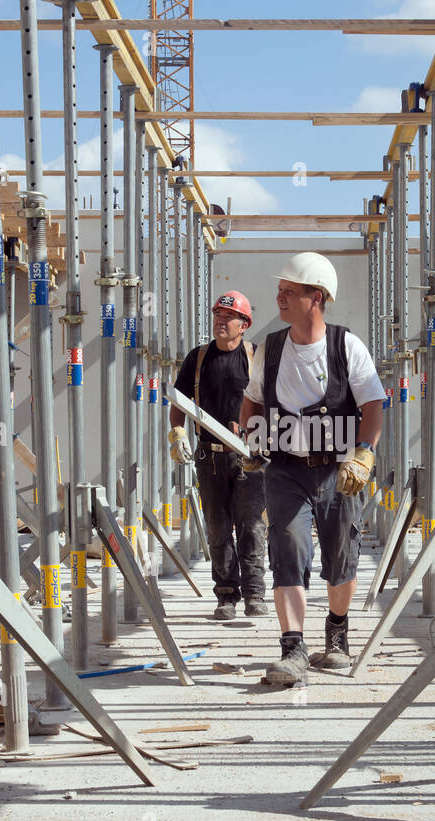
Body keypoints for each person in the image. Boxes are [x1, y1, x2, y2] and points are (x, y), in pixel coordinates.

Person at [239, 252, 384, 684]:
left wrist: (364, 452)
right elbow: (254, 399)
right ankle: (293, 647)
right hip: (285, 469)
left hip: (337, 470)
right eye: (280, 290)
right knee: (287, 547)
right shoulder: (272, 348)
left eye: (290, 291)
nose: (280, 298)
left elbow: (373, 405)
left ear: (316, 297)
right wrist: (250, 438)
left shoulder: (345, 346)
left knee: (342, 554)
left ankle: (336, 634)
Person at [168, 290, 269, 620]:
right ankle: (226, 595)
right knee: (217, 527)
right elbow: (178, 402)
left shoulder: (255, 360)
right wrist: (178, 432)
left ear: (244, 325)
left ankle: (254, 593)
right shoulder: (198, 360)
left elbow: (272, 406)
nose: (221, 322)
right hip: (209, 458)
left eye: (228, 318)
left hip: (249, 460)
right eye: (218, 317)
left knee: (252, 527)